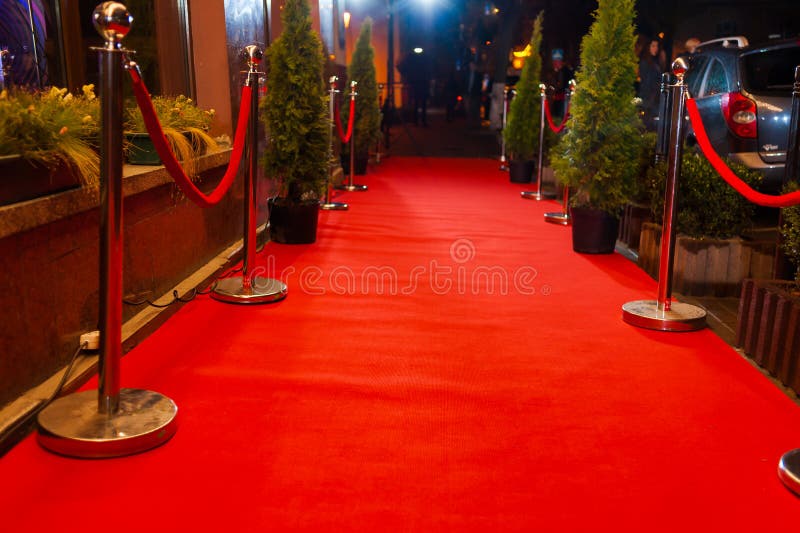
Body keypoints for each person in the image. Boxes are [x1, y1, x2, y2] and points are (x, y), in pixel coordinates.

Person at [638, 38, 664, 131]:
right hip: (649, 100)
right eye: (653, 46)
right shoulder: (645, 62)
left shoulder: (655, 62)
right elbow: (647, 83)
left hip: (654, 99)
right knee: (648, 126)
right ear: (648, 47)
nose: (655, 48)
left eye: (657, 46)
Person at [541, 49, 574, 119]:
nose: (555, 63)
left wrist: (551, 87)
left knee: (561, 117)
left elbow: (560, 85)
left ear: (561, 61)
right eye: (554, 61)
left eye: (557, 61)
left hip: (563, 99)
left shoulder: (563, 71)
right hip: (557, 99)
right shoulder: (556, 71)